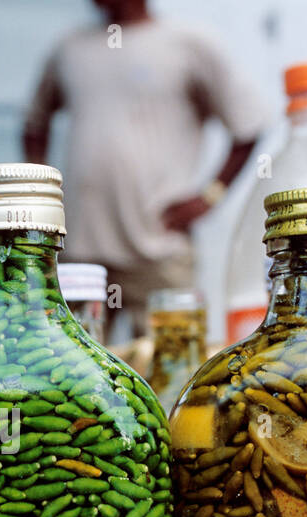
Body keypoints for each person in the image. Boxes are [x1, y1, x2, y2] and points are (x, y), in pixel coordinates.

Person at [23, 0, 266, 341]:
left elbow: (248, 126)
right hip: (79, 254)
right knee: (73, 376)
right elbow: (34, 124)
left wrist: (209, 197)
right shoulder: (70, 49)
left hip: (158, 250)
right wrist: (41, 201)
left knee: (168, 369)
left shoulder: (188, 45)